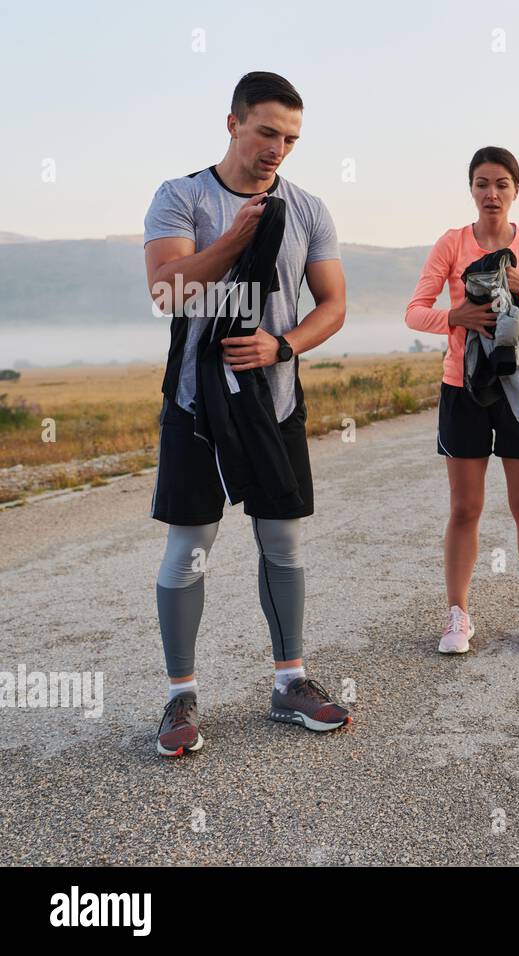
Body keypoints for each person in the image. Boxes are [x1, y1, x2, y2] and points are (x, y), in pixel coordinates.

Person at [143, 71, 351, 757]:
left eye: (290, 138)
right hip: (198, 404)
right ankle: (180, 697)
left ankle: (289, 682)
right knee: (191, 547)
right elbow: (168, 292)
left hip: (275, 400)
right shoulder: (181, 197)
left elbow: (333, 306)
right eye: (266, 133)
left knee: (283, 544)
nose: (277, 150)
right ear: (231, 123)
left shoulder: (310, 208)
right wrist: (236, 238)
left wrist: (282, 343)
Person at [405, 147, 519, 654]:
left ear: (516, 191)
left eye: (502, 184)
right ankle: (458, 615)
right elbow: (415, 312)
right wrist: (454, 318)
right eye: (482, 183)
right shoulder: (451, 243)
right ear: (471, 189)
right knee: (465, 507)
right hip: (463, 389)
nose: (491, 193)